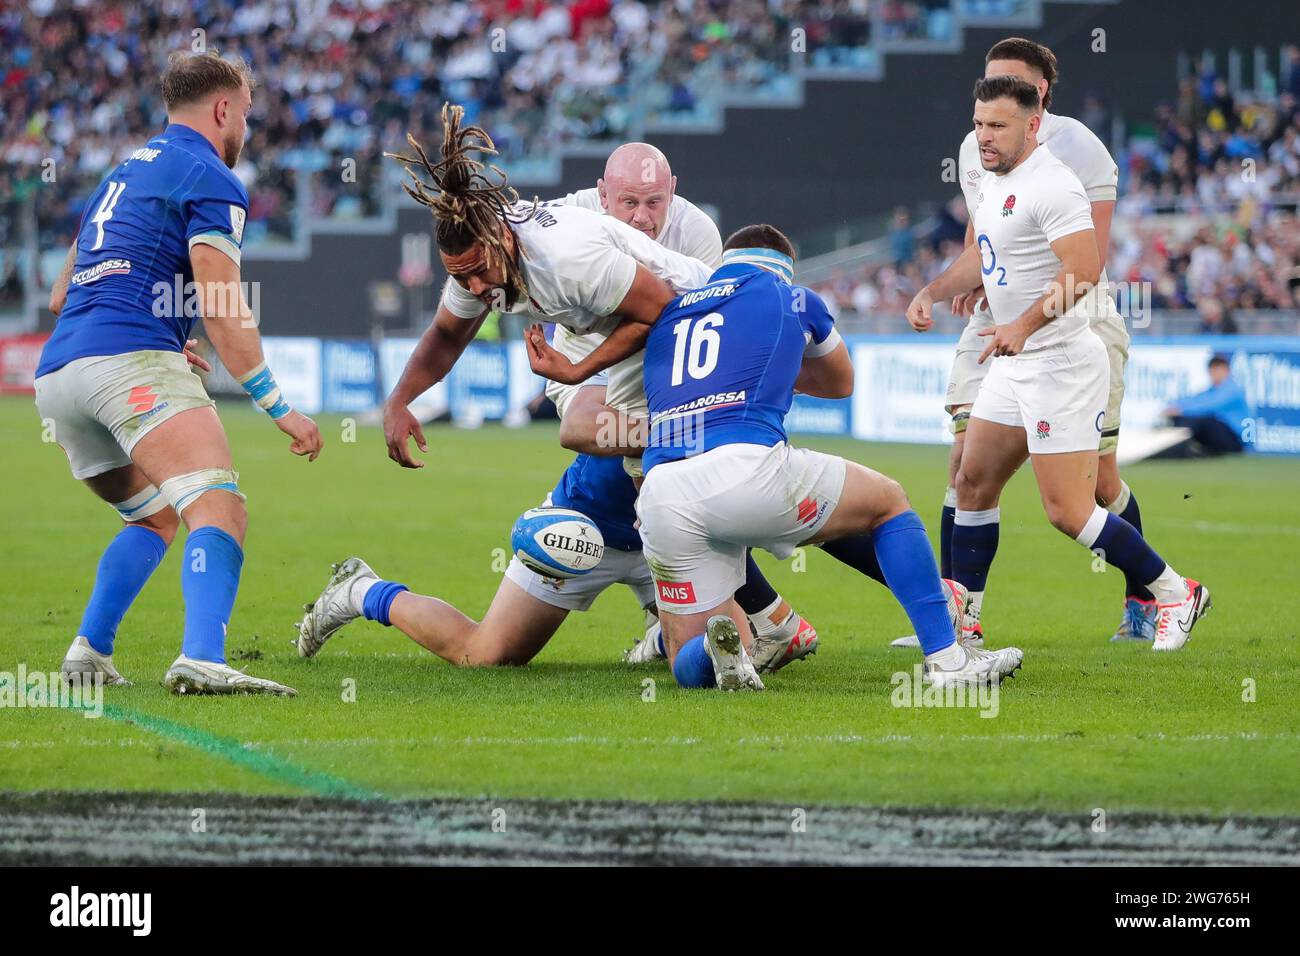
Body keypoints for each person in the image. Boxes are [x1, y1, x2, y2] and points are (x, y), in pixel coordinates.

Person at [382, 113, 818, 670]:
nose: (474, 287)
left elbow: (660, 310)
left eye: (477, 273)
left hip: (681, 323)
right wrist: (399, 401)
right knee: (489, 654)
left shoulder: (569, 261)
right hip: (614, 447)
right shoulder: (480, 254)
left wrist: (578, 369)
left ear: (503, 239)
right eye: (460, 277)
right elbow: (447, 335)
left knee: (656, 451)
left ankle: (748, 607)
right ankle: (365, 593)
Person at [36, 51, 322, 696]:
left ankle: (90, 652)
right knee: (218, 506)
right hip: (128, 362)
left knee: (155, 516)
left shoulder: (120, 175)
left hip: (59, 374)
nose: (246, 127)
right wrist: (279, 408)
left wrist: (159, 336)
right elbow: (222, 305)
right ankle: (201, 658)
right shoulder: (211, 175)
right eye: (245, 112)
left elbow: (60, 295)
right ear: (223, 109)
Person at [637, 224, 1025, 690]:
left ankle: (712, 653)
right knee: (888, 501)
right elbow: (842, 382)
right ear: (783, 268)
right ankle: (948, 659)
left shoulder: (672, 311)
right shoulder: (791, 297)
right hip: (744, 468)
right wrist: (776, 375)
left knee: (686, 657)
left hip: (660, 489)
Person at [906, 75, 1210, 653]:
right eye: (979, 124)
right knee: (971, 481)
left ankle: (1178, 591)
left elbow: (1084, 270)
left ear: (1032, 125)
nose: (984, 136)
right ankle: (965, 624)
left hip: (1061, 364)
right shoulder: (993, 180)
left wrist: (1022, 326)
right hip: (1014, 361)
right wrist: (933, 291)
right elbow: (982, 256)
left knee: (1068, 511)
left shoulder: (1053, 184)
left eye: (998, 126)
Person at [295, 453, 662, 667]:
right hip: (580, 531)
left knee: (692, 654)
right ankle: (360, 590)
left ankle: (661, 638)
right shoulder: (617, 355)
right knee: (484, 654)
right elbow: (577, 426)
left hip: (667, 527)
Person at [1164, 356, 1249, 455]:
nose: (1215, 375)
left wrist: (1181, 410)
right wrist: (1174, 408)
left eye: (1218, 371)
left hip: (1235, 440)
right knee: (1183, 417)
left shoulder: (1233, 390)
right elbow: (1194, 400)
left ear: (1227, 371)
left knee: (1204, 419)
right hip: (1222, 436)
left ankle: (1178, 448)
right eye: (1213, 372)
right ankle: (1174, 446)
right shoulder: (1212, 391)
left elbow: (1211, 406)